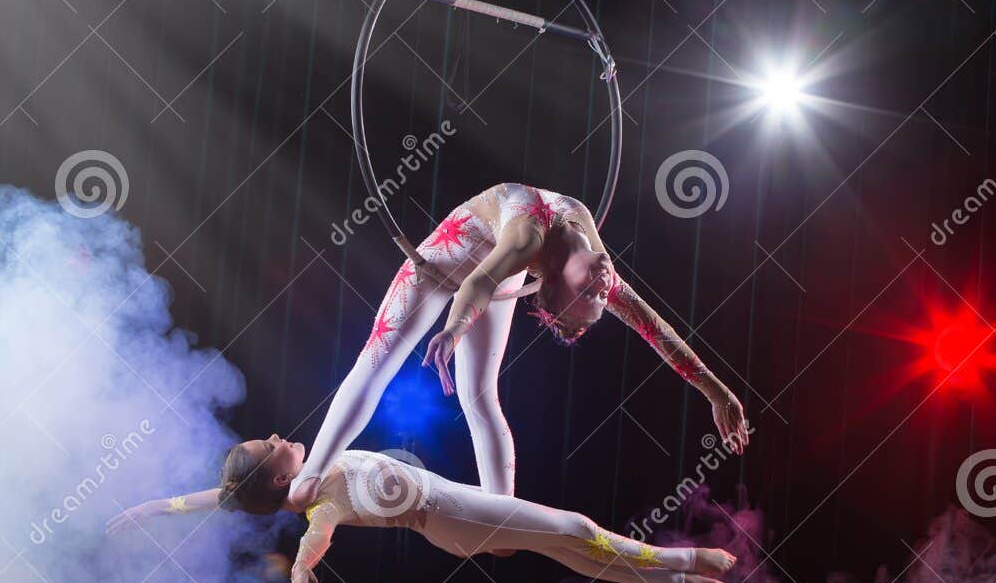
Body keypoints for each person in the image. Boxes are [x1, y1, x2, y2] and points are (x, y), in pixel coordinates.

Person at [287, 182, 750, 511]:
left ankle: (502, 513)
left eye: (589, 293)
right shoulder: (557, 241)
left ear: (554, 281)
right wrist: (452, 329)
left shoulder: (538, 244)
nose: (604, 287)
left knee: (481, 396)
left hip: (491, 277)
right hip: (444, 262)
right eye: (599, 296)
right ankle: (309, 480)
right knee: (378, 360)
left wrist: (716, 391)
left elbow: (484, 281)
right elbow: (477, 279)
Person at [108, 434, 736, 583]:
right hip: (450, 516)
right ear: (278, 478)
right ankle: (682, 563)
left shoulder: (300, 485)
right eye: (271, 444)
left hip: (452, 512)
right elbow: (311, 542)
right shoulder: (320, 501)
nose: (279, 435)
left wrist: (154, 508)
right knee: (572, 529)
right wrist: (300, 575)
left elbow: (221, 496)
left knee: (565, 549)